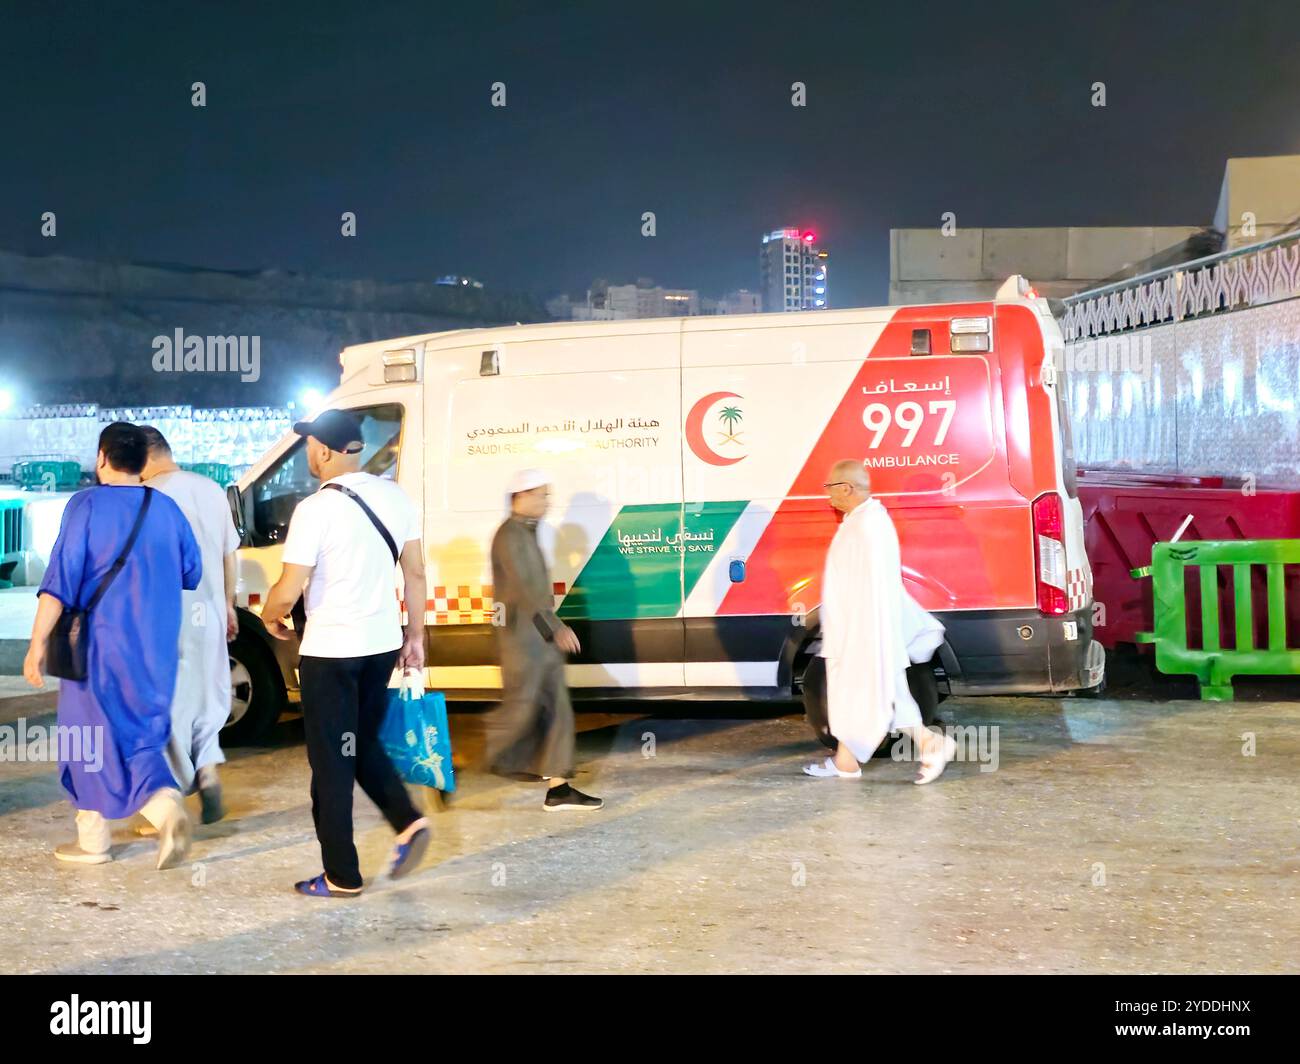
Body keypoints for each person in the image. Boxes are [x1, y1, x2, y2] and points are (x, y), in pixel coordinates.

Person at [259, 409, 430, 898]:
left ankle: (342, 875)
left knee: (331, 766)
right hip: (381, 645)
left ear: (327, 451)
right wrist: (415, 636)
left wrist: (273, 612)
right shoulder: (395, 496)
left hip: (332, 652)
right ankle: (408, 822)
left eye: (311, 445)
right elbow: (415, 573)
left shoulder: (315, 509)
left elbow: (289, 588)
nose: (309, 454)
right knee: (359, 744)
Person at [23, 422, 202, 867]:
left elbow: (59, 583)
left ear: (102, 457)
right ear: (143, 460)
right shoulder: (166, 508)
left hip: (99, 650)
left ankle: (97, 840)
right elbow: (191, 573)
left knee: (86, 738)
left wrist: (36, 644)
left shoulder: (85, 505)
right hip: (156, 651)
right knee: (141, 736)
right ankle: (166, 804)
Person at [803, 460, 957, 784]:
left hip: (864, 631)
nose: (827, 495)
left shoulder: (867, 526)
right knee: (881, 694)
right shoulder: (864, 521)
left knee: (866, 694)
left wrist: (861, 635)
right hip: (862, 630)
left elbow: (870, 587)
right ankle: (851, 760)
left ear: (847, 488)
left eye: (830, 487)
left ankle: (927, 744)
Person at [484, 468, 601, 811]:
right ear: (520, 497)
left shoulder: (523, 532)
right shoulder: (511, 536)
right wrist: (556, 628)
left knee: (548, 708)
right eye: (541, 495)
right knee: (530, 708)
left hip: (532, 637)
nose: (547, 502)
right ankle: (499, 758)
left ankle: (555, 783)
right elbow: (526, 589)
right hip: (527, 639)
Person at [140, 427, 240, 823]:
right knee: (207, 696)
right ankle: (208, 771)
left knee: (172, 702)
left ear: (144, 458)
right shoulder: (211, 488)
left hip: (170, 616)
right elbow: (230, 554)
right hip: (212, 614)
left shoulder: (150, 497)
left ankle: (172, 799)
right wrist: (229, 606)